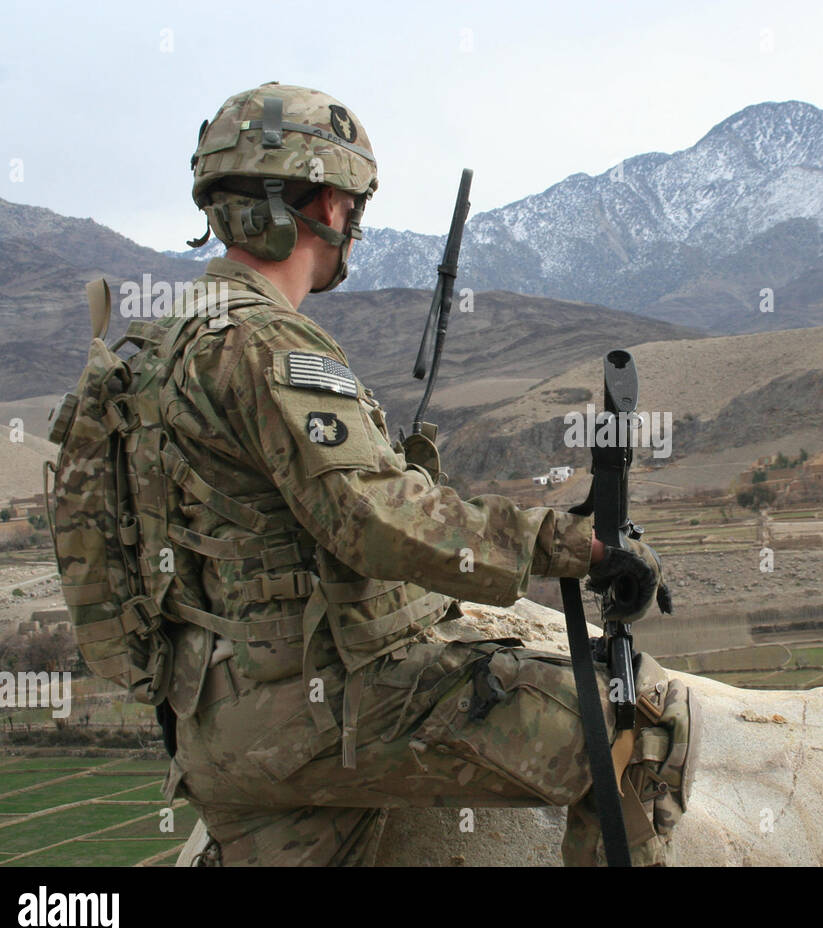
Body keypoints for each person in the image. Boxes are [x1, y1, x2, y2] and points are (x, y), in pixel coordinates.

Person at [153, 83, 697, 866]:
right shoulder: (267, 345)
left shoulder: (155, 347)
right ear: (330, 206)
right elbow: (376, 519)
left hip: (207, 729)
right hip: (319, 712)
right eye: (352, 204)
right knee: (638, 728)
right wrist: (578, 549)